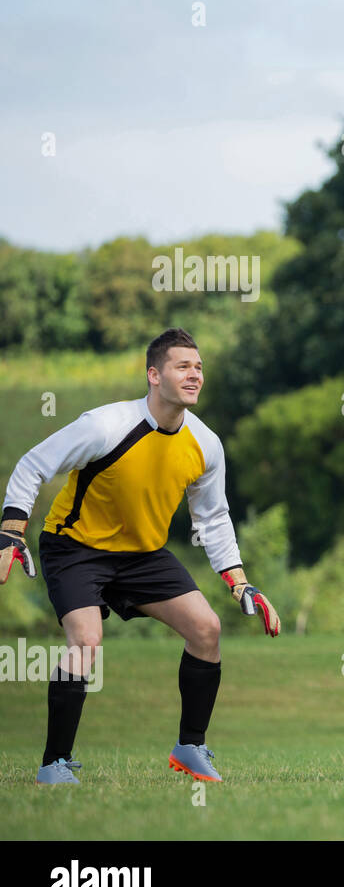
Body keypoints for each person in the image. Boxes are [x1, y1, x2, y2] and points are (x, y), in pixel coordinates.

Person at [1, 328, 280, 785]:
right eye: (182, 366)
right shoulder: (105, 425)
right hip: (75, 547)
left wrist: (238, 580)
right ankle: (54, 764)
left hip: (142, 555)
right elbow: (33, 464)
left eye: (199, 367)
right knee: (87, 640)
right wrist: (11, 532)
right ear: (154, 374)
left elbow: (212, 517)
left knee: (206, 628)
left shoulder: (205, 444)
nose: (195, 375)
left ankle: (190, 748)